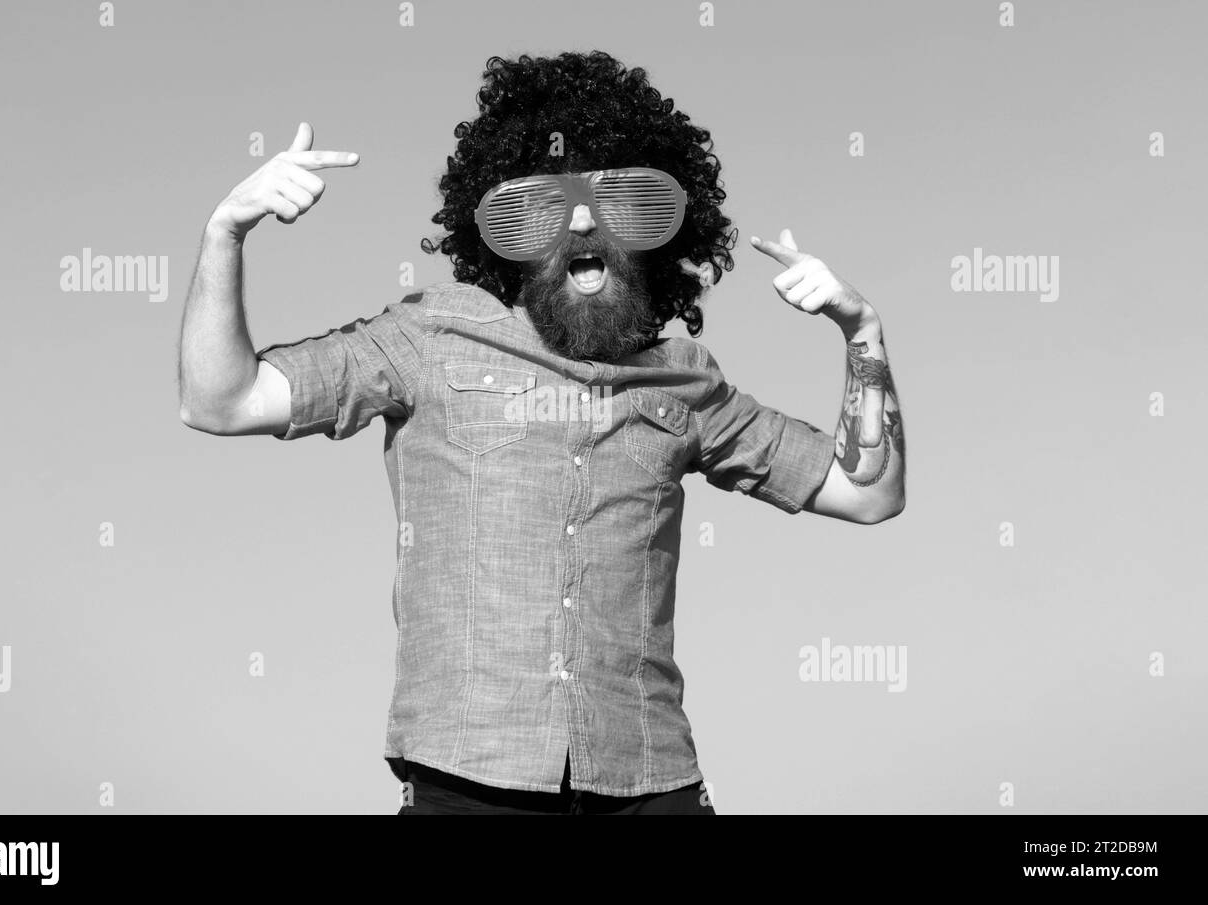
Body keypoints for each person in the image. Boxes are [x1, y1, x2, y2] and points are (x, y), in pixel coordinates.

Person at [178, 51, 906, 815]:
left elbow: (869, 492)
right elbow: (219, 400)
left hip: (649, 781)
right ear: (506, 230)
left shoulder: (685, 381)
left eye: (613, 199)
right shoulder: (428, 338)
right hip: (467, 778)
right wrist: (227, 232)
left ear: (653, 229)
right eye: (546, 205)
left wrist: (862, 330)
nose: (583, 220)